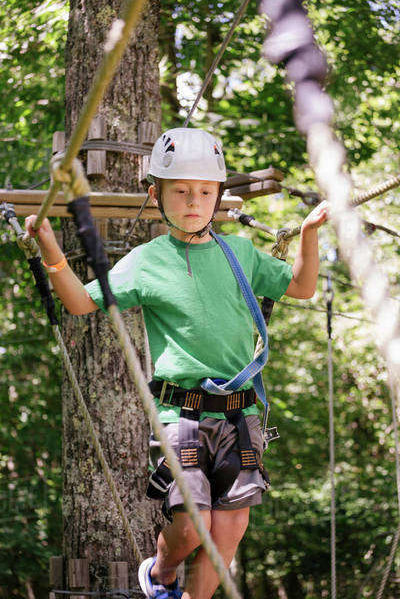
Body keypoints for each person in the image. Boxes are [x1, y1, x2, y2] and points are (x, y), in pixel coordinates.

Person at [25, 127, 329, 599]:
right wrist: (50, 251)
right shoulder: (148, 261)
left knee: (229, 528)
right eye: (181, 191)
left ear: (218, 197)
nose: (194, 201)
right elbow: (82, 304)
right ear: (156, 194)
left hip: (240, 413)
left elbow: (302, 287)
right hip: (182, 415)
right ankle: (161, 573)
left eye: (206, 192)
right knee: (191, 528)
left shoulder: (241, 253)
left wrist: (308, 235)